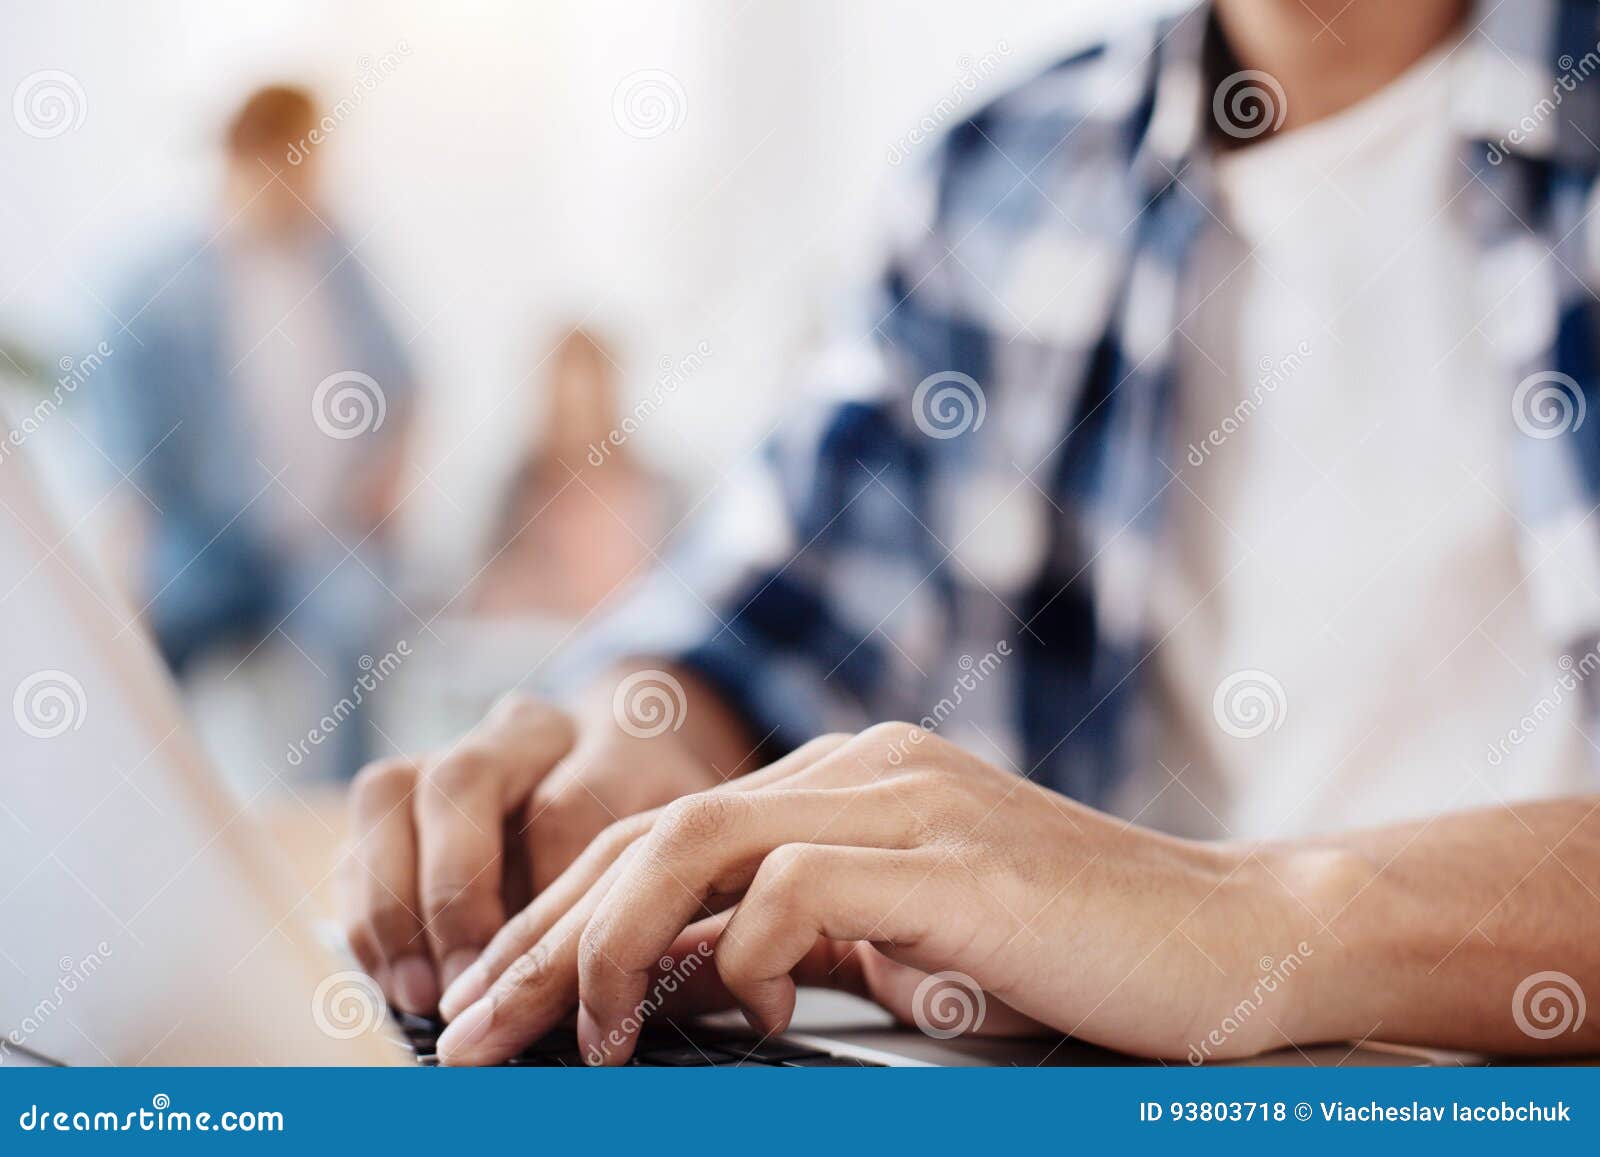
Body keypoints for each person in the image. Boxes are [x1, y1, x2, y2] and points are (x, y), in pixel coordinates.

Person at [340, 0, 1600, 1064]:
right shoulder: (1004, 170)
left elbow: (1217, 920)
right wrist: (627, 758)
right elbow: (775, 605)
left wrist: (1240, 916)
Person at [96, 85, 417, 778]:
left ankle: (344, 810)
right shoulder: (157, 285)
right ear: (252, 157)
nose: (316, 182)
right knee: (152, 649)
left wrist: (389, 480)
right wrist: (128, 566)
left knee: (357, 624)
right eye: (301, 161)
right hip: (204, 542)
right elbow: (125, 451)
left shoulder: (339, 263)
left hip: (323, 540)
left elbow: (404, 378)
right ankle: (157, 796)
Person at [470, 326, 663, 619]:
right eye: (567, 400)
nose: (578, 417)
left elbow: (664, 596)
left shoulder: (652, 491)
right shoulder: (520, 487)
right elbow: (488, 593)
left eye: (588, 400)